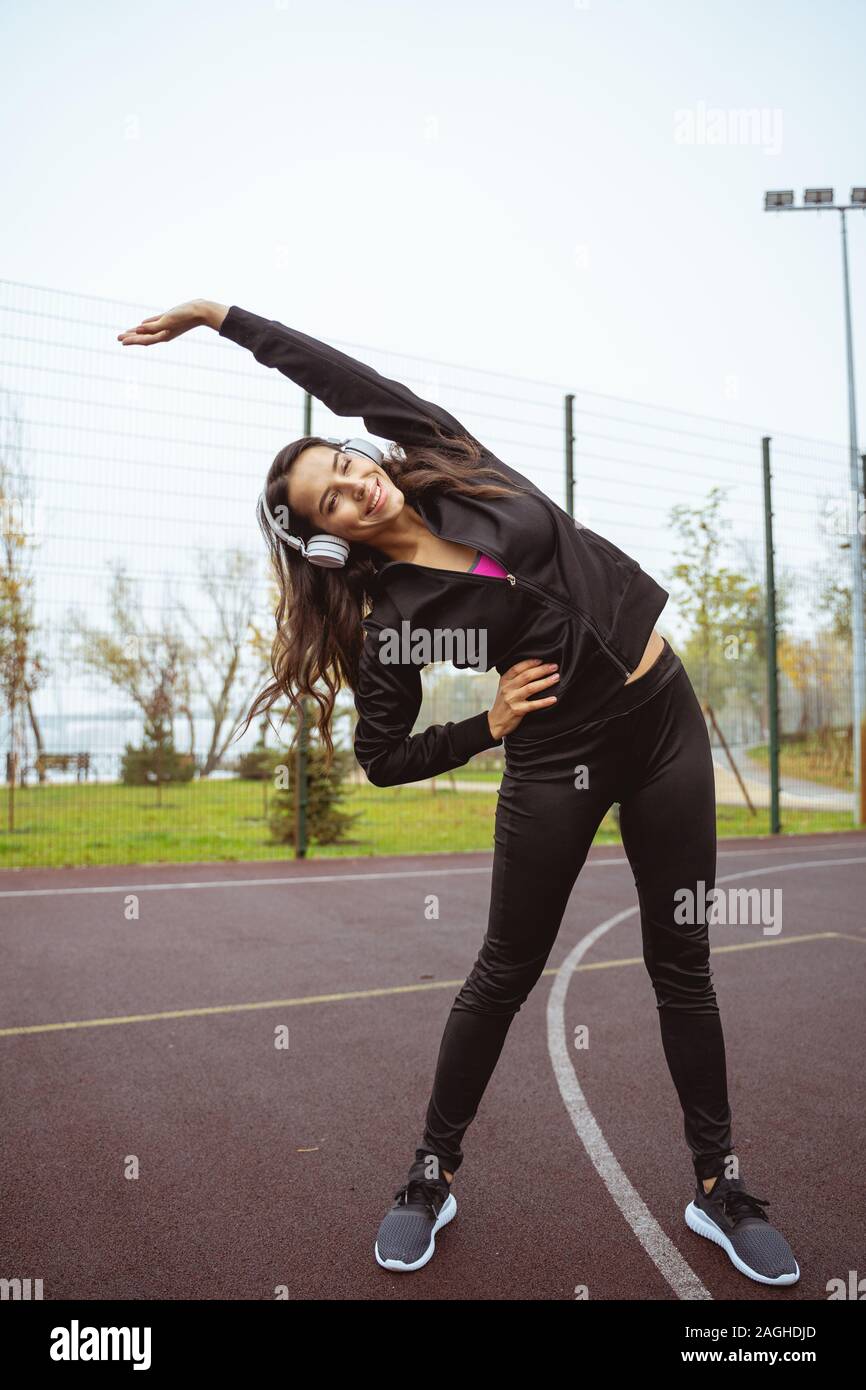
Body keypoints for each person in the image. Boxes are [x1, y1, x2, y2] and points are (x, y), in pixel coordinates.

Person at [117, 299, 800, 1288]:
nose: (352, 487)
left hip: (661, 719)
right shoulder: (391, 616)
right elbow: (382, 754)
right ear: (324, 542)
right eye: (329, 504)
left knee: (681, 963)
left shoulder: (444, 454)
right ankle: (427, 1177)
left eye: (344, 464)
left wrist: (221, 318)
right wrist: (485, 727)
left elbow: (345, 377)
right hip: (554, 755)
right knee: (500, 974)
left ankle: (718, 1185)